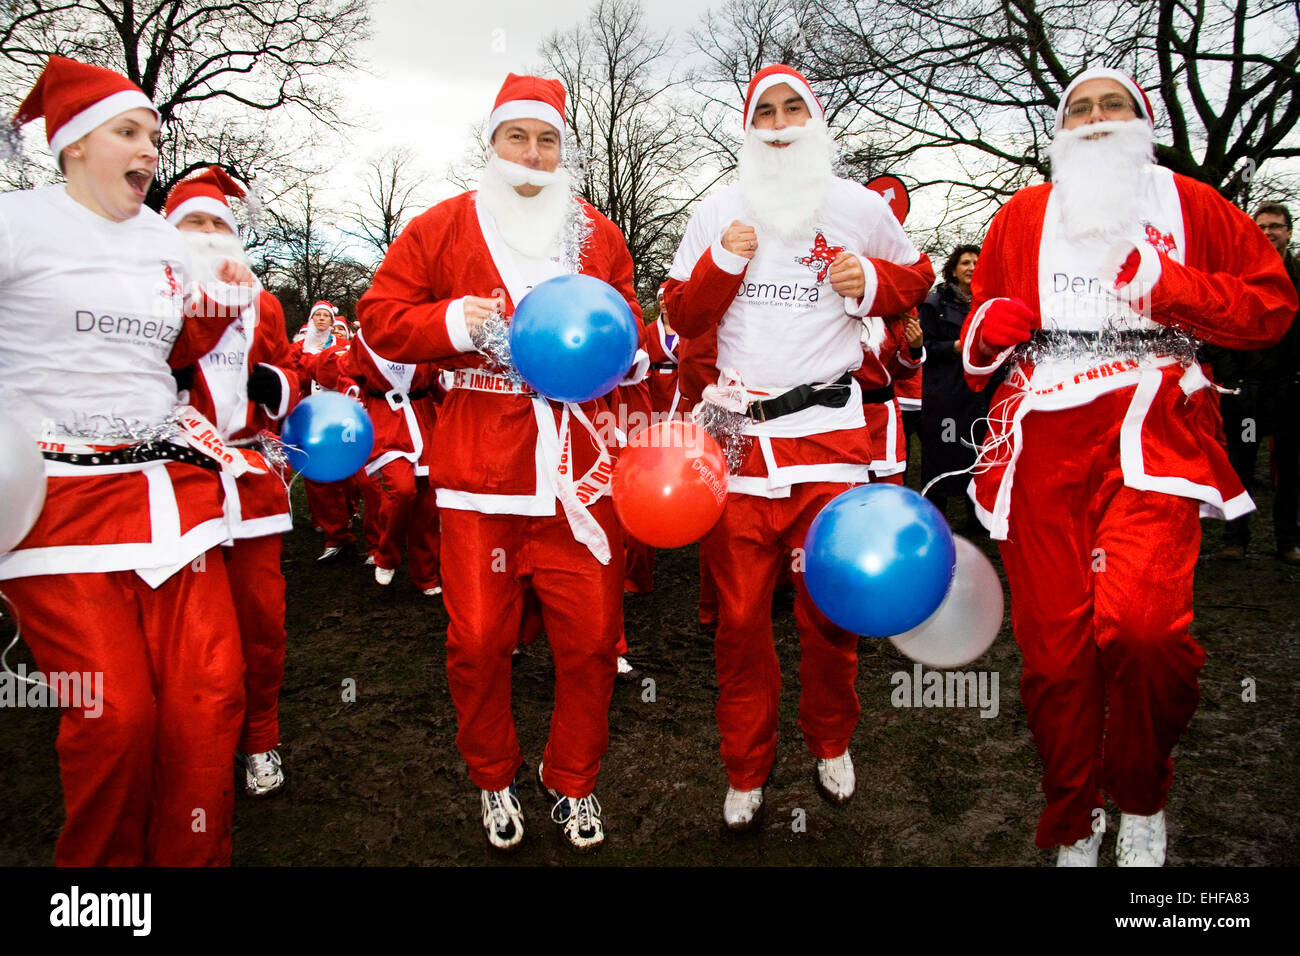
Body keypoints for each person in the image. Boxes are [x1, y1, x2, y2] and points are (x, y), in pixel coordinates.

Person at [959, 67, 1297, 866]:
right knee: (1052, 657)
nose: (1097, 116)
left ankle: (1141, 794)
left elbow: (1272, 307)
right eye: (1080, 107)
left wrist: (1167, 285)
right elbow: (978, 343)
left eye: (1114, 104)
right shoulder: (1023, 213)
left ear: (1142, 121)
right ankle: (1073, 815)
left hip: (1154, 431)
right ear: (1061, 130)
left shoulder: (1192, 204)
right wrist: (990, 326)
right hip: (1041, 437)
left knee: (1144, 633)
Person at [357, 73, 644, 853]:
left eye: (548, 139)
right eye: (516, 136)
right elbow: (380, 319)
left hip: (578, 478)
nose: (532, 152)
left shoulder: (598, 233)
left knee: (588, 642)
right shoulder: (442, 227)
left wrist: (632, 361)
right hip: (480, 476)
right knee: (479, 641)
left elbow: (629, 328)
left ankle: (574, 780)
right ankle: (493, 776)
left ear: (564, 151)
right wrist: (452, 319)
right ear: (491, 146)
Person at [662, 64, 934, 831]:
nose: (778, 123)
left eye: (792, 109)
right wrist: (722, 262)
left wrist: (871, 280)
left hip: (829, 441)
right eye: (764, 112)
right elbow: (681, 314)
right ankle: (746, 768)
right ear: (748, 129)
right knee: (741, 623)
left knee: (830, 612)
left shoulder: (853, 206)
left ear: (814, 122)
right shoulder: (717, 209)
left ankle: (831, 741)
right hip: (741, 443)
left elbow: (917, 276)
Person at [0, 56, 253, 864]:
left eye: (154, 135)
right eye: (129, 132)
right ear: (74, 144)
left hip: (168, 495)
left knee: (208, 703)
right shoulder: (16, 224)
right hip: (52, 502)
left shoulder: (164, 242)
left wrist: (213, 313)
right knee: (115, 716)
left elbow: (170, 356)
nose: (150, 150)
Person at [165, 165, 299, 798]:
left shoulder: (264, 302)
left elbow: (287, 369)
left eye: (219, 223)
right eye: (194, 222)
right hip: (170, 482)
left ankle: (261, 737)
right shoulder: (148, 294)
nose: (209, 233)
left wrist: (279, 388)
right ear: (168, 230)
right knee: (194, 637)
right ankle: (197, 749)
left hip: (249, 479)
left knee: (261, 623)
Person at [1205, 202, 1300, 562]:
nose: (1269, 232)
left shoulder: (1299, 276)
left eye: (1276, 226)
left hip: (1291, 392)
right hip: (1248, 395)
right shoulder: (1238, 279)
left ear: (1288, 231)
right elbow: (1217, 331)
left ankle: (1289, 541)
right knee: (1241, 466)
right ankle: (1235, 539)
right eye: (1261, 227)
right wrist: (1234, 380)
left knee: (1290, 469)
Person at [919, 244, 986, 529]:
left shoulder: (989, 302)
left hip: (980, 393)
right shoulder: (935, 304)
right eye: (965, 262)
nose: (971, 267)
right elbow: (922, 347)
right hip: (945, 392)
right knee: (943, 453)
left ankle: (977, 517)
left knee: (979, 452)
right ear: (954, 268)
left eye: (976, 263)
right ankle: (936, 517)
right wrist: (953, 347)